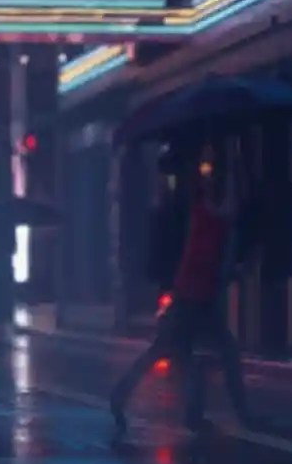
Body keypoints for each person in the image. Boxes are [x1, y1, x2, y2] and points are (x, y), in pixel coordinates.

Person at [110, 145, 257, 433]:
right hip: (192, 299)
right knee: (191, 352)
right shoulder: (205, 216)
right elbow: (227, 213)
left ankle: (193, 414)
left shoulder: (204, 216)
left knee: (185, 354)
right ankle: (122, 397)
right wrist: (236, 171)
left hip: (198, 298)